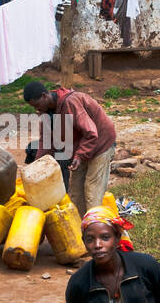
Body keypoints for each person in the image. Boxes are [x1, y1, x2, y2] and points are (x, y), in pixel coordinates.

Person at [23, 80, 116, 215]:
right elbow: (46, 142)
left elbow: (91, 133)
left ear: (44, 96)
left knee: (92, 192)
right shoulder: (46, 112)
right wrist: (37, 165)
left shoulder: (70, 102)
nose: (36, 109)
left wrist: (79, 155)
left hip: (100, 143)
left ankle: (95, 225)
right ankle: (79, 226)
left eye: (37, 105)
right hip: (82, 147)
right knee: (76, 194)